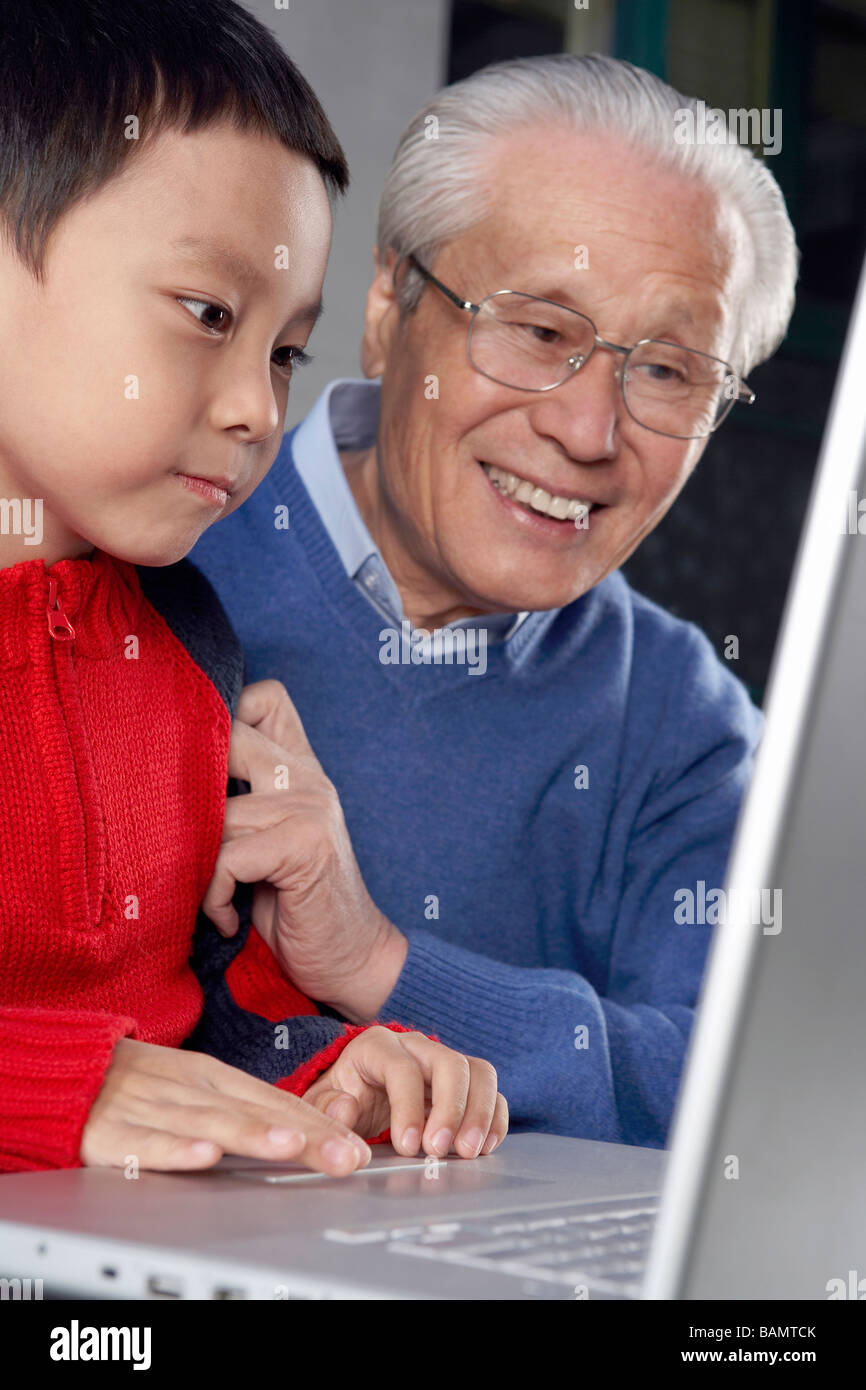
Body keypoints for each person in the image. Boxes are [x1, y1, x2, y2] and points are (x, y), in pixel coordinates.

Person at [191, 52, 799, 1149]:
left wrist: (382, 962)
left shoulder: (685, 723)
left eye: (665, 371)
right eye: (538, 331)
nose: (586, 431)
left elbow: (754, 1090)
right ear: (388, 306)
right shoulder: (146, 565)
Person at [0, 0, 507, 1177]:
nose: (255, 409)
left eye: (282, 352)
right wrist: (57, 1086)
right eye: (206, 315)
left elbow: (179, 1038)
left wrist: (312, 1075)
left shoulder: (187, 650)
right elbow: (102, 1084)